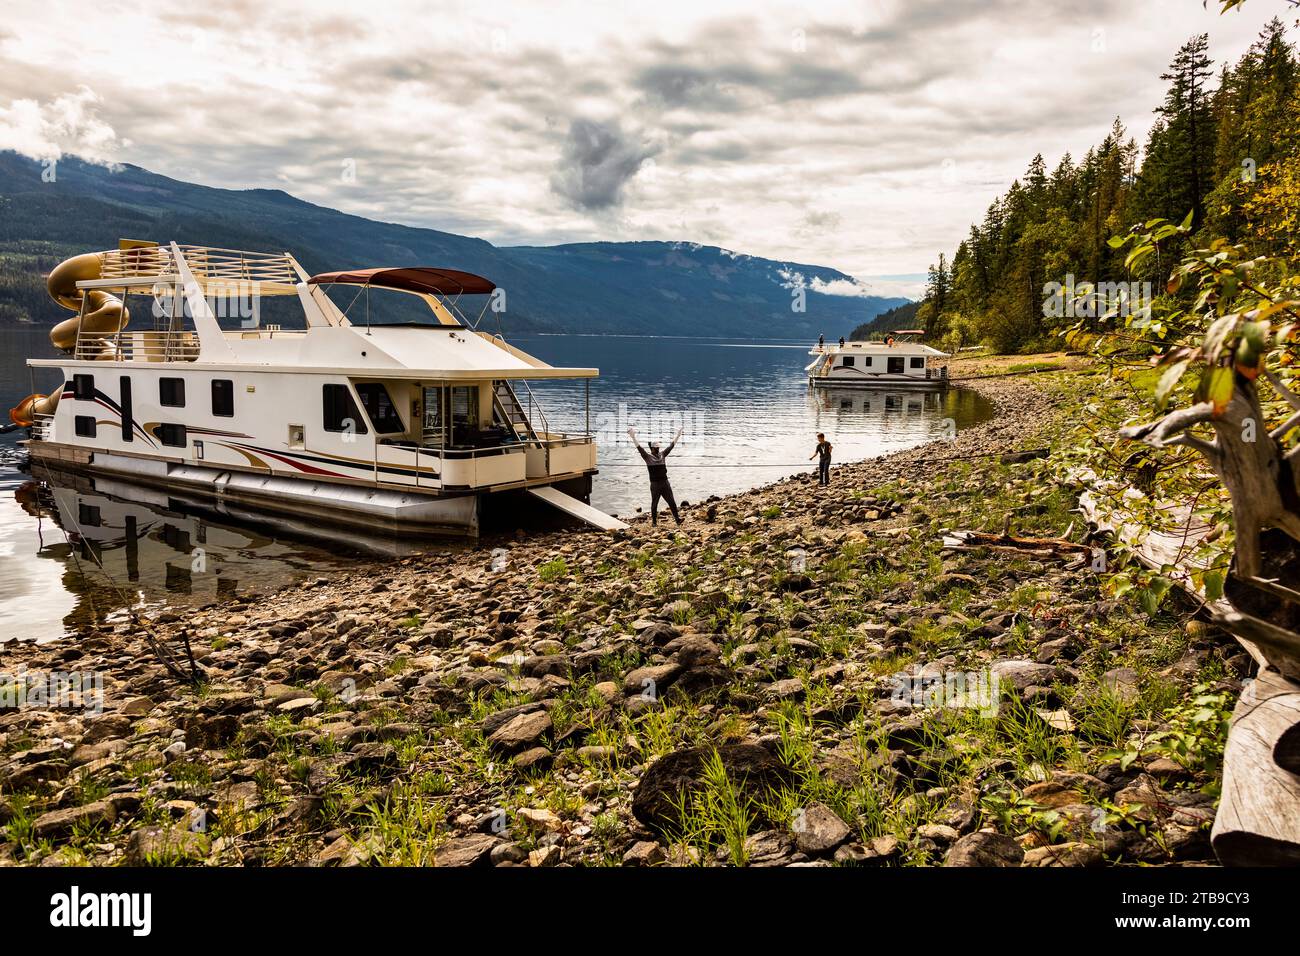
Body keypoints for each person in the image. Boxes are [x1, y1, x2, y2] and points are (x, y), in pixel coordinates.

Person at [628, 425, 684, 526]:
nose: (658, 450)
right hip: (655, 485)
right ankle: (654, 523)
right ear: (652, 448)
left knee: (672, 502)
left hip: (665, 483)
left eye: (658, 448)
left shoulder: (662, 455)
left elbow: (671, 446)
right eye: (656, 448)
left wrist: (678, 435)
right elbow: (639, 448)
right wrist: (633, 437)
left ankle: (677, 519)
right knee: (654, 504)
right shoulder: (647, 457)